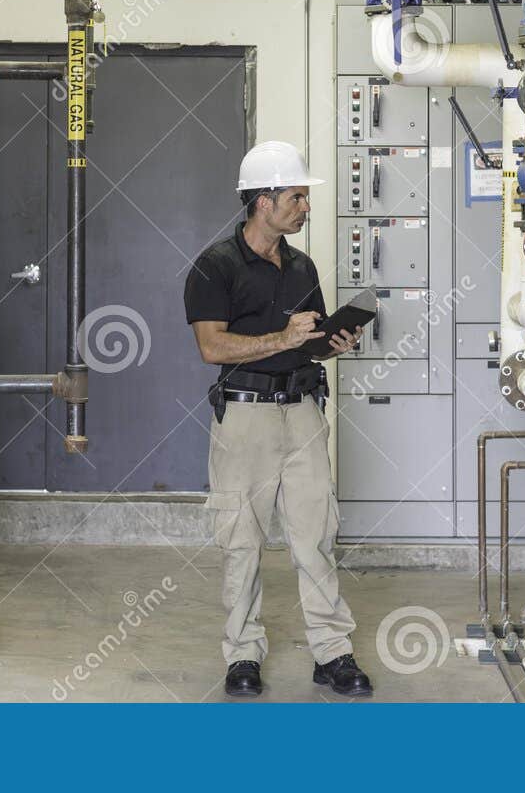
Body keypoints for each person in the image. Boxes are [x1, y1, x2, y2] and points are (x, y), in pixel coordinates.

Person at [183, 141, 374, 699]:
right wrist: (282, 338)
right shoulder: (215, 266)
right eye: (296, 197)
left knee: (316, 535)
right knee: (242, 540)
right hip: (245, 417)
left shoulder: (301, 266)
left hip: (304, 412)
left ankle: (332, 651)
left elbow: (307, 342)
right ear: (263, 201)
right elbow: (212, 347)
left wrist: (332, 343)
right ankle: (243, 654)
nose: (305, 207)